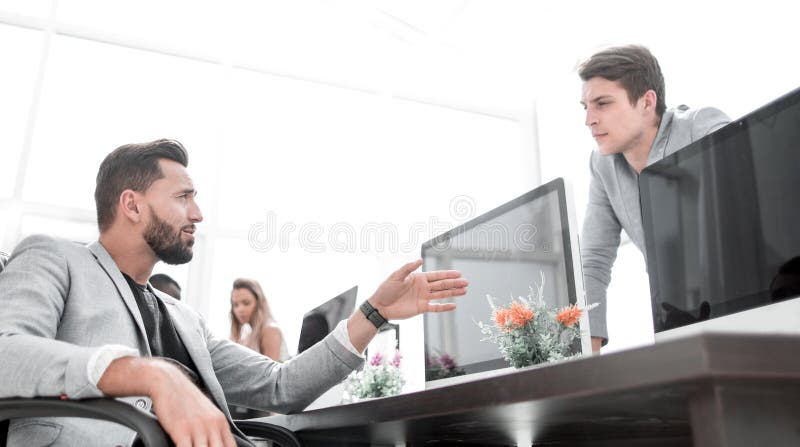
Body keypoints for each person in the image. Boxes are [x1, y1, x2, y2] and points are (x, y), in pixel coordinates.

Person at [0, 139, 468, 447]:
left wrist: (375, 312)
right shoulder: (55, 257)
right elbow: (6, 356)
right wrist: (152, 377)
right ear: (132, 204)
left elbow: (281, 386)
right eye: (183, 196)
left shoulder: (182, 318)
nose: (198, 213)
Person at [578, 45, 731, 351]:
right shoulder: (603, 165)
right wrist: (586, 355)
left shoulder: (701, 127)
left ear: (647, 102)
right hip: (674, 310)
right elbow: (594, 261)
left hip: (748, 297)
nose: (589, 120)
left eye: (603, 103)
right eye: (585, 107)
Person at [229, 278, 288, 361]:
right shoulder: (247, 336)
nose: (240, 309)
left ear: (259, 303)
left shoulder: (270, 330)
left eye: (246, 303)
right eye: (235, 305)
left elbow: (271, 372)